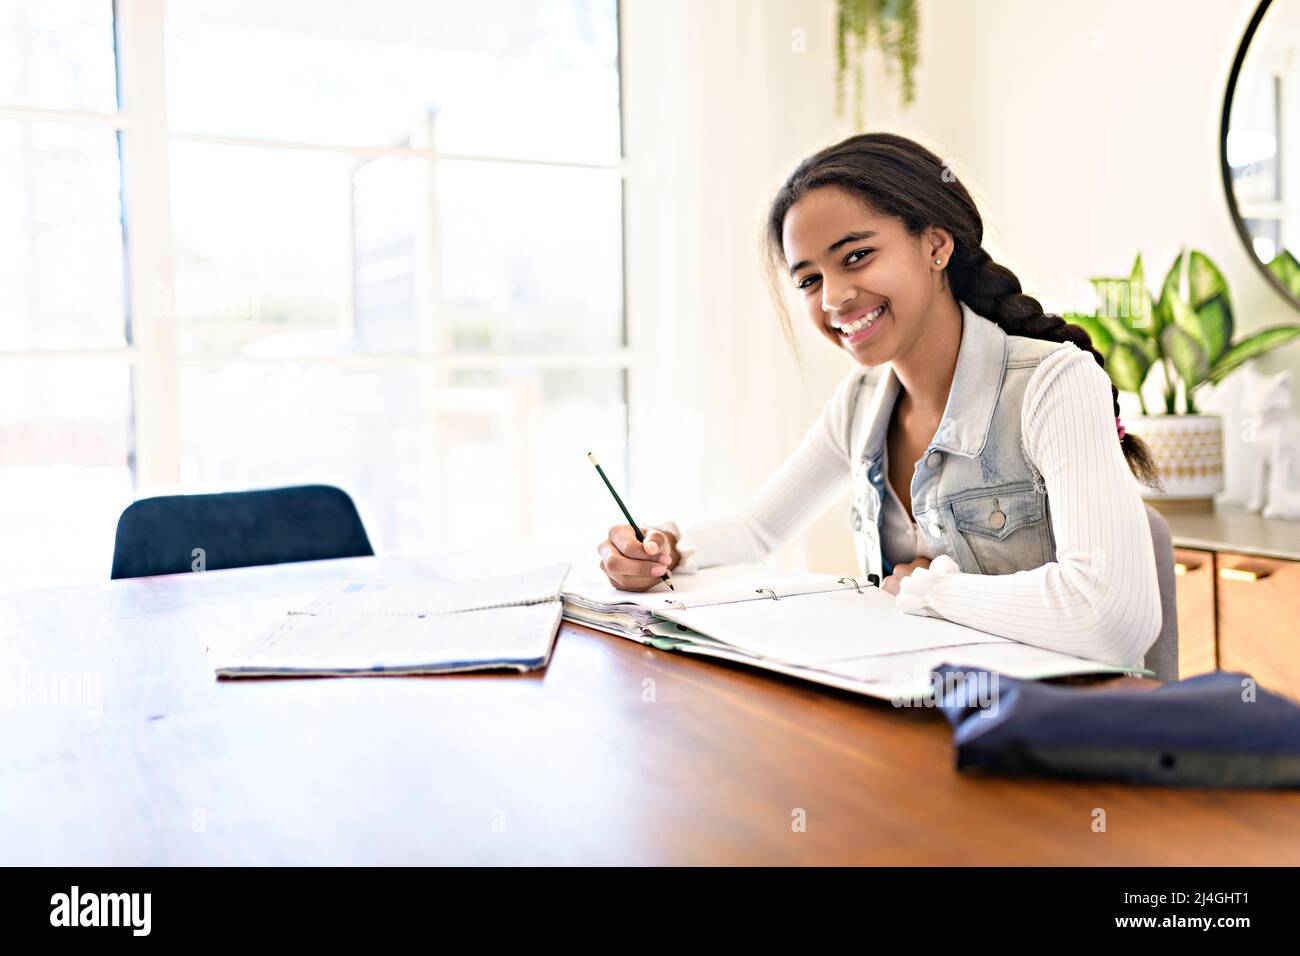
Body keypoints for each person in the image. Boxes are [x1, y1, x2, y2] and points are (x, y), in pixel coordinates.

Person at [595, 132, 1165, 668]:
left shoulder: (1052, 384)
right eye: (809, 280)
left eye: (856, 256)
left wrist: (930, 590)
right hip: (929, 708)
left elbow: (1111, 617)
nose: (834, 299)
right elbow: (757, 530)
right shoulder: (863, 402)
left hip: (1063, 729)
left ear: (936, 244)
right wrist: (664, 548)